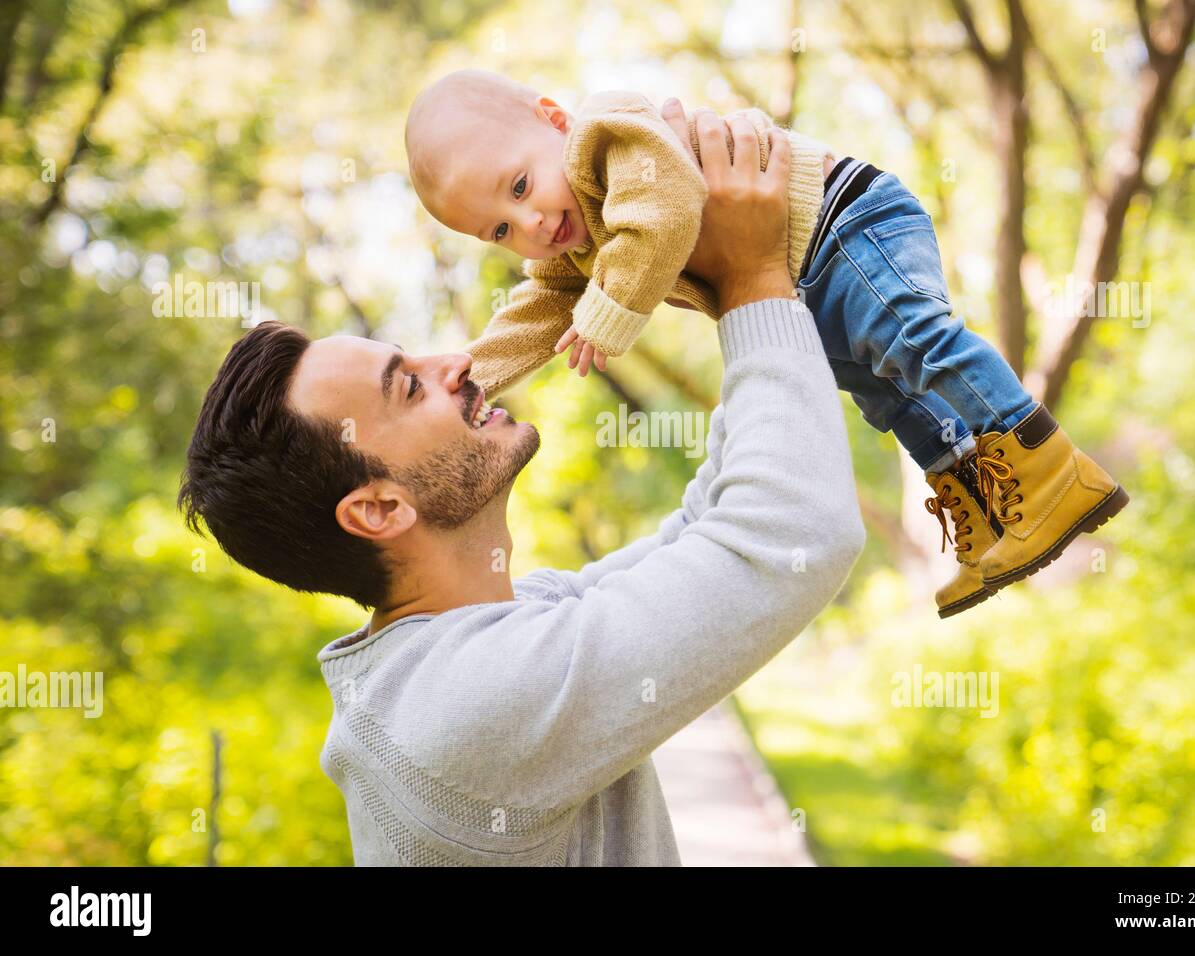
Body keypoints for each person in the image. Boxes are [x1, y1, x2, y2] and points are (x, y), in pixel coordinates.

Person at [177, 104, 865, 865]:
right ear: (377, 508)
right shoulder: (472, 704)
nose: (456, 364)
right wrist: (753, 277)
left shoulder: (486, 638)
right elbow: (791, 535)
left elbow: (707, 530)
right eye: (408, 388)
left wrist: (720, 267)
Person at [405, 71, 1129, 617]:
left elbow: (663, 213)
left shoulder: (606, 136)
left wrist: (610, 310)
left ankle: (1044, 461)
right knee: (888, 395)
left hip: (844, 225)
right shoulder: (577, 242)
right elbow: (540, 307)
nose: (528, 221)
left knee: (913, 341)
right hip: (802, 283)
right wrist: (472, 377)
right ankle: (985, 506)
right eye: (499, 228)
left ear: (553, 120)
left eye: (522, 184)